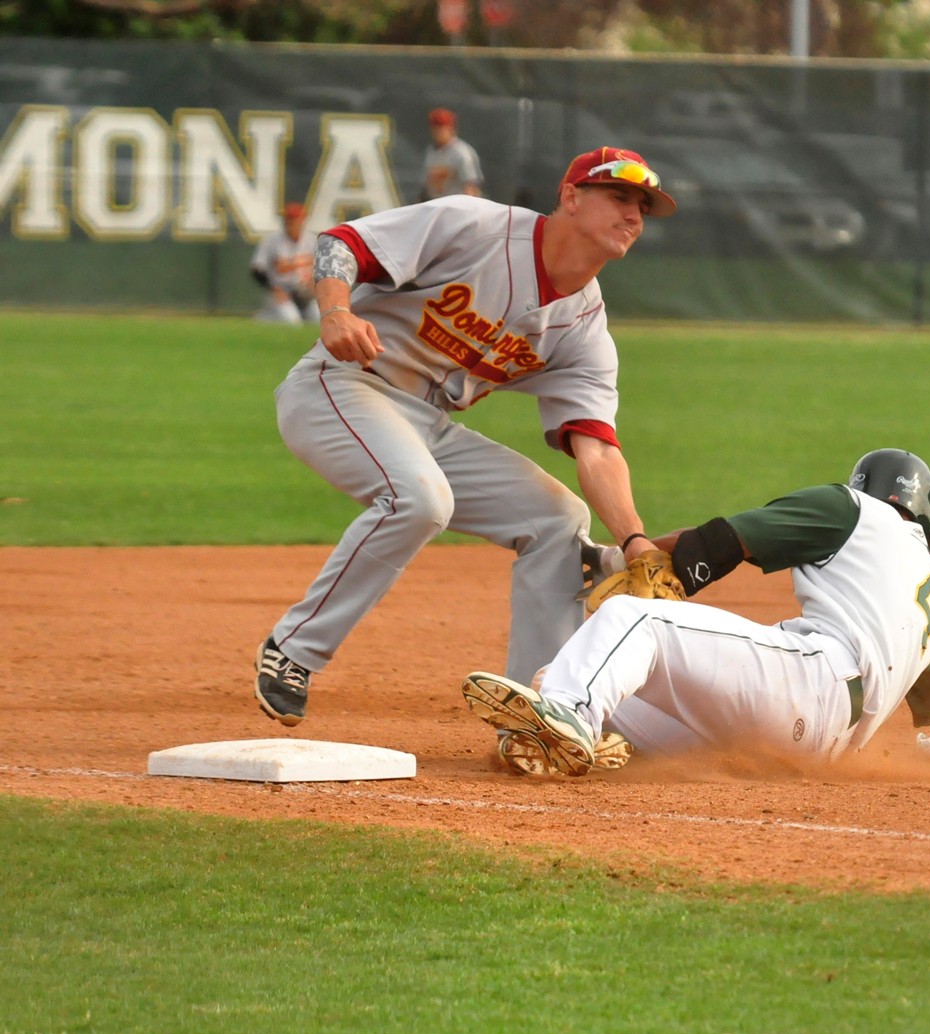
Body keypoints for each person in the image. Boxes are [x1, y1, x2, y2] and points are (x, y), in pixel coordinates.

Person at [253, 147, 677, 727]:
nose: (634, 215)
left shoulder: (584, 328)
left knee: (556, 521)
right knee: (422, 499)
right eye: (620, 197)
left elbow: (597, 445)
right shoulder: (476, 226)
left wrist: (634, 543)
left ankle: (544, 712)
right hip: (342, 386)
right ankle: (294, 650)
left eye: (644, 208)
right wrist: (334, 312)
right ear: (571, 197)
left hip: (428, 425)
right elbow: (339, 244)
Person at [460, 449, 930, 776]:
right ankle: (592, 738)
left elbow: (724, 540)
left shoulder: (851, 509)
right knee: (565, 676)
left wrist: (623, 555)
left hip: (809, 683)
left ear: (864, 489)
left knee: (630, 619)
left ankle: (571, 721)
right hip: (808, 751)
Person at [249, 202, 318, 325]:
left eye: (294, 219)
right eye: (288, 219)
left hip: (304, 292)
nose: (290, 222)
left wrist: (315, 285)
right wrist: (274, 289)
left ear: (303, 220)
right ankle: (264, 318)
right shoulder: (271, 241)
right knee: (291, 320)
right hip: (281, 291)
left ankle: (268, 317)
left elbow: (323, 269)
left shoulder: (312, 241)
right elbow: (257, 270)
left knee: (318, 317)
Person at [420, 108, 483, 201]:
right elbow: (426, 187)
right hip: (437, 206)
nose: (438, 131)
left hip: (457, 207)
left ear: (451, 128)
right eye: (435, 127)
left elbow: (471, 186)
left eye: (442, 127)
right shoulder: (431, 152)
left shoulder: (461, 152)